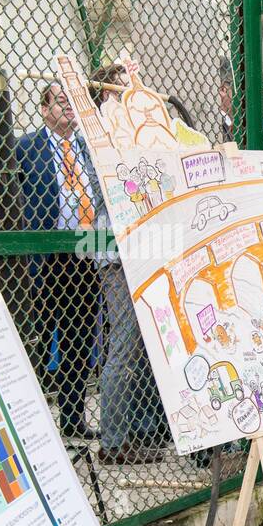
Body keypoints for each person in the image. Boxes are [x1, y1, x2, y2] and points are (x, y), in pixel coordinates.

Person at [88, 64, 171, 464]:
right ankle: (114, 438)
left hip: (144, 245)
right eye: (120, 89)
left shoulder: (130, 132)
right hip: (117, 253)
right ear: (105, 95)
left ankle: (139, 429)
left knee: (144, 344)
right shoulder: (101, 136)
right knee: (124, 344)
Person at [16, 81, 101, 443]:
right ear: (44, 108)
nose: (68, 108)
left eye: (71, 102)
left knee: (78, 340)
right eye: (61, 101)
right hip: (45, 255)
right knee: (34, 336)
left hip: (84, 252)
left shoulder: (86, 147)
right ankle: (26, 421)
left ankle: (71, 416)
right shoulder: (26, 148)